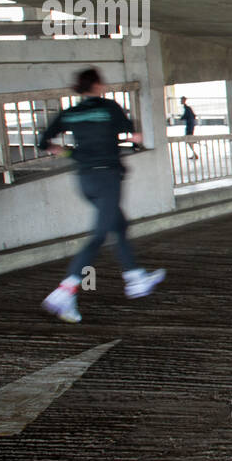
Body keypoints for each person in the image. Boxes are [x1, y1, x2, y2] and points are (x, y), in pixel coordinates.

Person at [38, 68, 166, 323]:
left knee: (119, 226)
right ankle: (65, 290)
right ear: (96, 85)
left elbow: (43, 142)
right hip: (108, 177)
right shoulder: (110, 107)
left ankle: (135, 277)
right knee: (98, 236)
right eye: (102, 83)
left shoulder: (71, 113)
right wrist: (125, 138)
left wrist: (69, 153)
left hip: (86, 180)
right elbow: (135, 136)